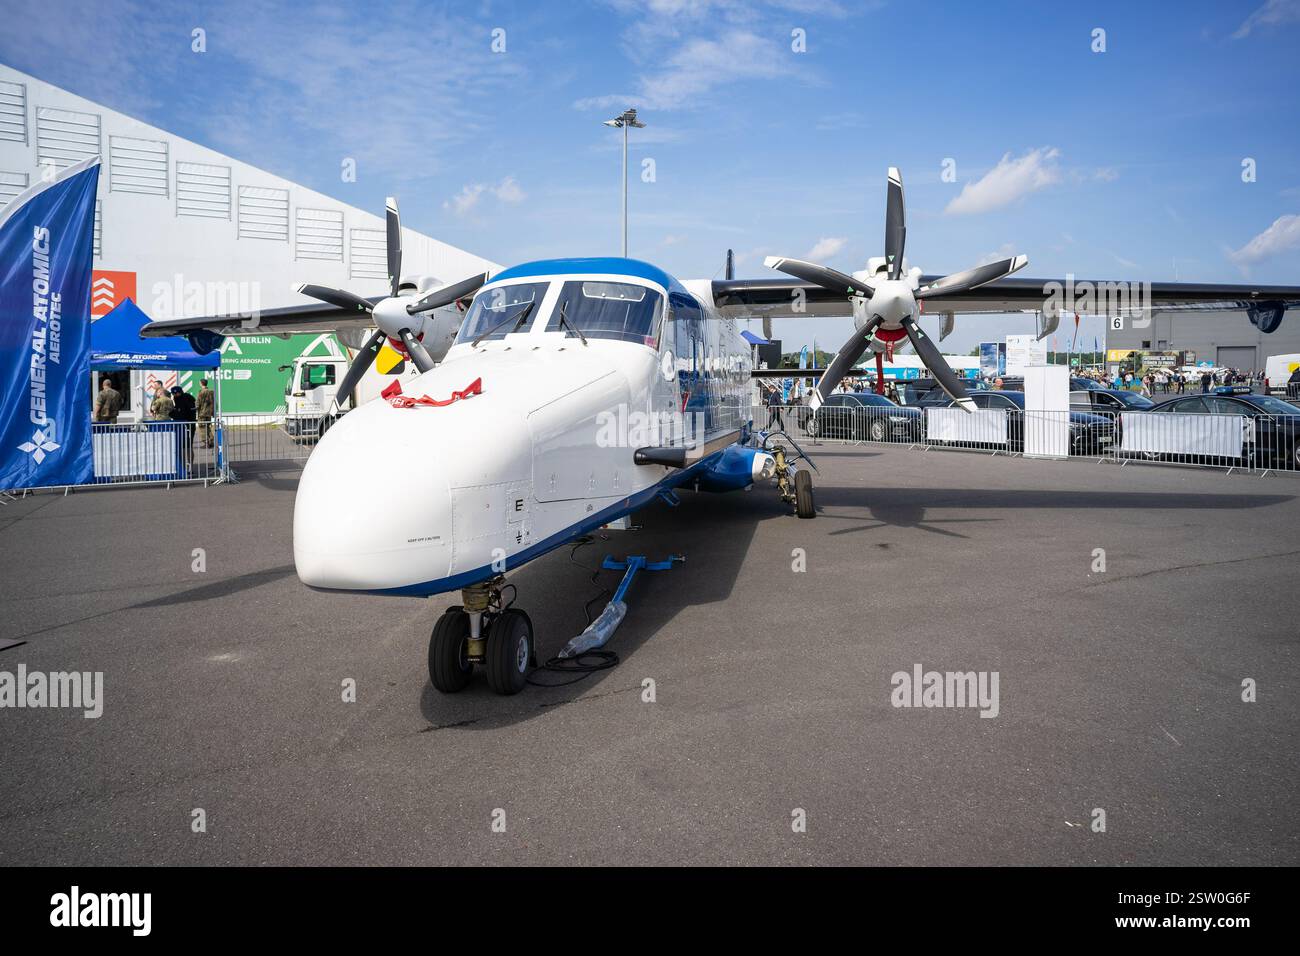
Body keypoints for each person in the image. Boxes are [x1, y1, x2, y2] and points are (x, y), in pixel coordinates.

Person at [170, 385, 198, 462]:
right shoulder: (181, 399)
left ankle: (188, 466)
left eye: (174, 394)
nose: (174, 396)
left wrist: (171, 413)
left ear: (179, 393)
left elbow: (182, 413)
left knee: (187, 447)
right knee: (185, 447)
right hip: (186, 425)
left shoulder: (184, 400)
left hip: (187, 426)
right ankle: (187, 466)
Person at [196, 378, 215, 447]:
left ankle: (206, 442)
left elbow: (198, 403)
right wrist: (213, 412)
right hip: (209, 413)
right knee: (208, 427)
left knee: (202, 428)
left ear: (201, 383)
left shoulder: (201, 392)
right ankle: (211, 441)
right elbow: (213, 403)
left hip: (202, 413)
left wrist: (195, 408)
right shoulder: (211, 392)